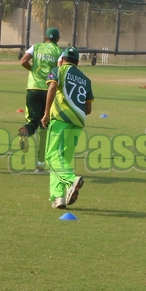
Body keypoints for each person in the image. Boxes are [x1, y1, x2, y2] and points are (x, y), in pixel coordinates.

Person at [42, 47, 92, 209]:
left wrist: (46, 113)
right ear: (77, 62)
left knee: (51, 157)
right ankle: (59, 197)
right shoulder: (85, 79)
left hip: (61, 119)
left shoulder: (58, 70)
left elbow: (51, 88)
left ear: (62, 60)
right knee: (62, 159)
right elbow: (89, 109)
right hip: (78, 123)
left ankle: (72, 180)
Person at [19, 27, 62, 171]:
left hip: (32, 88)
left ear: (45, 38)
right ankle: (40, 164)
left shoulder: (36, 47)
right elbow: (59, 69)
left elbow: (23, 61)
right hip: (48, 90)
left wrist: (31, 69)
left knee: (32, 121)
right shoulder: (58, 52)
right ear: (57, 39)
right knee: (45, 125)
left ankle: (26, 130)